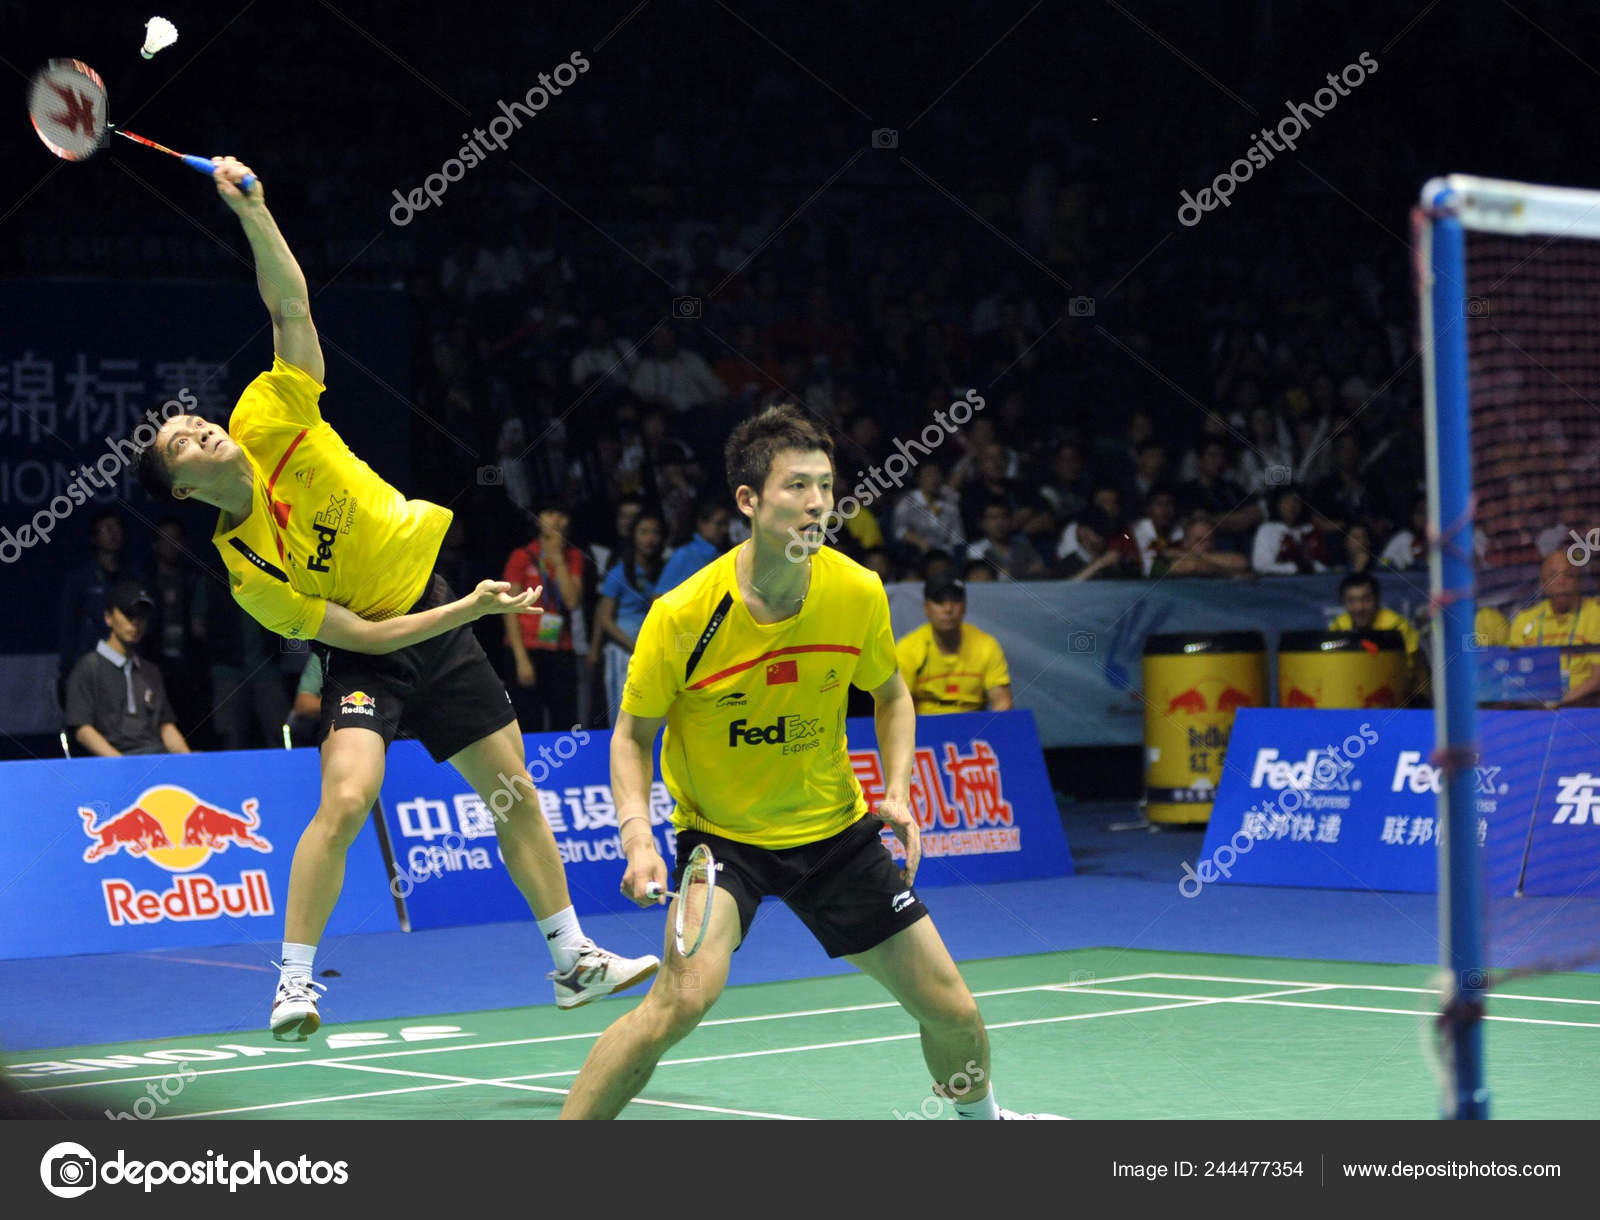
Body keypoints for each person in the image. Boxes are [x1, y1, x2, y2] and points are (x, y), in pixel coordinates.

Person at [135, 158, 655, 1039]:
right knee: (346, 798)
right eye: (178, 441)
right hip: (374, 647)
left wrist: (255, 212)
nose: (195, 424)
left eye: (191, 419)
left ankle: (572, 960)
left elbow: (290, 309)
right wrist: (469, 615)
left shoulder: (270, 412)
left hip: (437, 606)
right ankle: (294, 984)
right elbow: (355, 636)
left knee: (514, 794)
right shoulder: (247, 569)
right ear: (183, 490)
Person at [557, 404, 1061, 1120]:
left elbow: (892, 695)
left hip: (835, 835)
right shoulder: (682, 616)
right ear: (749, 501)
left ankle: (982, 1129)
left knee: (954, 1010)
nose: (819, 502)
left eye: (826, 485)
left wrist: (898, 793)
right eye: (797, 486)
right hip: (726, 840)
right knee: (678, 1004)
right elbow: (632, 736)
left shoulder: (854, 592)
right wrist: (638, 833)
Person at [64, 582, 192, 757]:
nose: (135, 622)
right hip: (110, 766)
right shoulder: (87, 667)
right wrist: (122, 765)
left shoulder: (151, 671)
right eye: (128, 614)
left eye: (142, 616)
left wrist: (189, 760)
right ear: (108, 617)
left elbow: (166, 727)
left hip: (154, 759)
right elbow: (82, 730)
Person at [501, 503, 586, 732]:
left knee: (565, 721)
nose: (556, 519)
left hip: (560, 648)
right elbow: (510, 609)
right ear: (537, 519)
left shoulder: (573, 556)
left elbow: (571, 602)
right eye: (549, 512)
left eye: (562, 513)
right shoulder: (521, 556)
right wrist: (521, 660)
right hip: (526, 648)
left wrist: (558, 559)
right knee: (528, 722)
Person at [896, 579, 1013, 714]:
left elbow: (1003, 702)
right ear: (926, 608)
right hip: (924, 726)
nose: (948, 609)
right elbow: (899, 707)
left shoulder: (987, 645)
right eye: (939, 602)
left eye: (955, 601)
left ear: (964, 606)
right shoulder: (907, 648)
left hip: (976, 726)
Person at [594, 510, 666, 725]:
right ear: (633, 536)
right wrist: (634, 645)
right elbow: (604, 618)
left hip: (655, 650)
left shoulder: (665, 570)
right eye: (644, 532)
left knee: (656, 712)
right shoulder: (618, 572)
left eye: (655, 532)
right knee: (625, 715)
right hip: (624, 652)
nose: (650, 538)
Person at [1508, 551, 1600, 706]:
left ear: (1579, 582)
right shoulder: (1524, 620)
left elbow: (1598, 679)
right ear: (1543, 584)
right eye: (1553, 576)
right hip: (1535, 709)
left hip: (1584, 707)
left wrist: (1560, 702)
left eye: (1569, 576)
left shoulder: (1595, 614)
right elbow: (1512, 677)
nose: (1561, 582)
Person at [1329, 572, 1422, 699]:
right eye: (1351, 601)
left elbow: (1410, 672)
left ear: (1377, 600)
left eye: (1366, 600)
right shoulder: (1338, 627)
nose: (1359, 608)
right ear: (1344, 603)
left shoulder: (1397, 626)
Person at [656, 499, 730, 593]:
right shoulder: (684, 554)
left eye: (726, 523)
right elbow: (658, 595)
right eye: (719, 524)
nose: (725, 530)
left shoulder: (721, 555)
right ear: (702, 523)